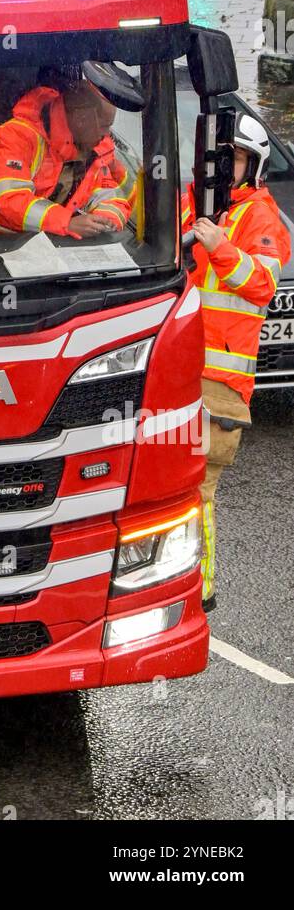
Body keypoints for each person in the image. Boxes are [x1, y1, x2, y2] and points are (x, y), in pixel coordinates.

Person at [181, 113, 290, 610]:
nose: (227, 167)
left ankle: (200, 588)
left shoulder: (261, 217)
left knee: (198, 489)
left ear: (256, 164)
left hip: (220, 383)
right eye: (222, 157)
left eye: (238, 158)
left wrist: (219, 247)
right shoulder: (199, 202)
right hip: (174, 370)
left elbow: (261, 285)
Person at [0, 78, 136, 237]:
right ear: (81, 120)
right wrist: (67, 222)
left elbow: (113, 199)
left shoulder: (95, 150)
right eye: (104, 126)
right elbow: (8, 203)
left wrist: (104, 221)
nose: (106, 134)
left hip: (50, 250)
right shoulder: (15, 137)